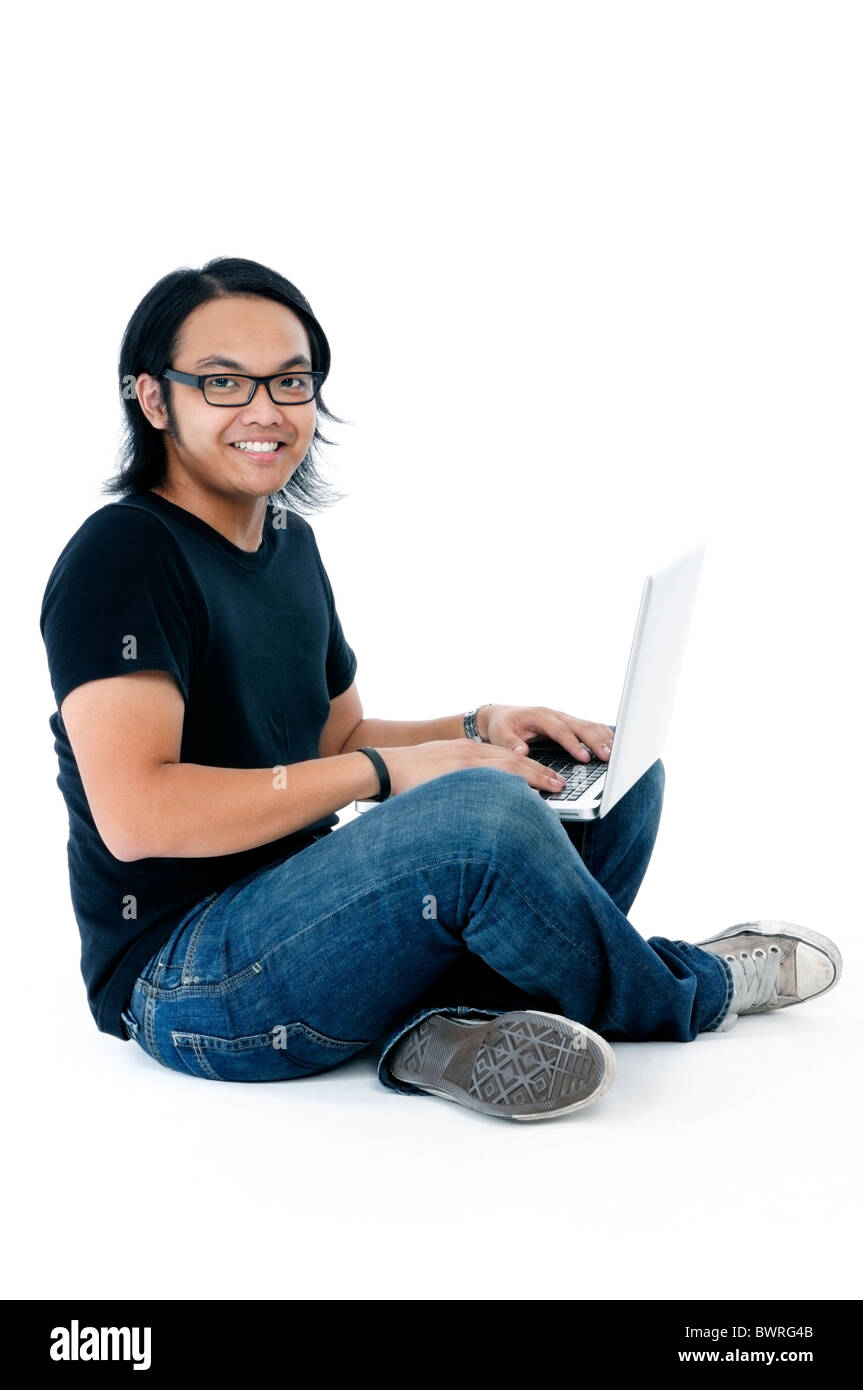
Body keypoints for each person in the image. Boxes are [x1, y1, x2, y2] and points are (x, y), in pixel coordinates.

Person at [39, 257, 843, 1124]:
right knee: (480, 822)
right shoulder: (124, 556)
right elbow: (138, 815)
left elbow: (335, 739)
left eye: (290, 381)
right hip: (190, 981)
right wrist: (398, 776)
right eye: (224, 383)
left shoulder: (286, 543)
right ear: (155, 399)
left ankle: (435, 1028)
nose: (265, 410)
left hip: (311, 918)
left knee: (605, 772)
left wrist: (481, 725)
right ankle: (690, 984)